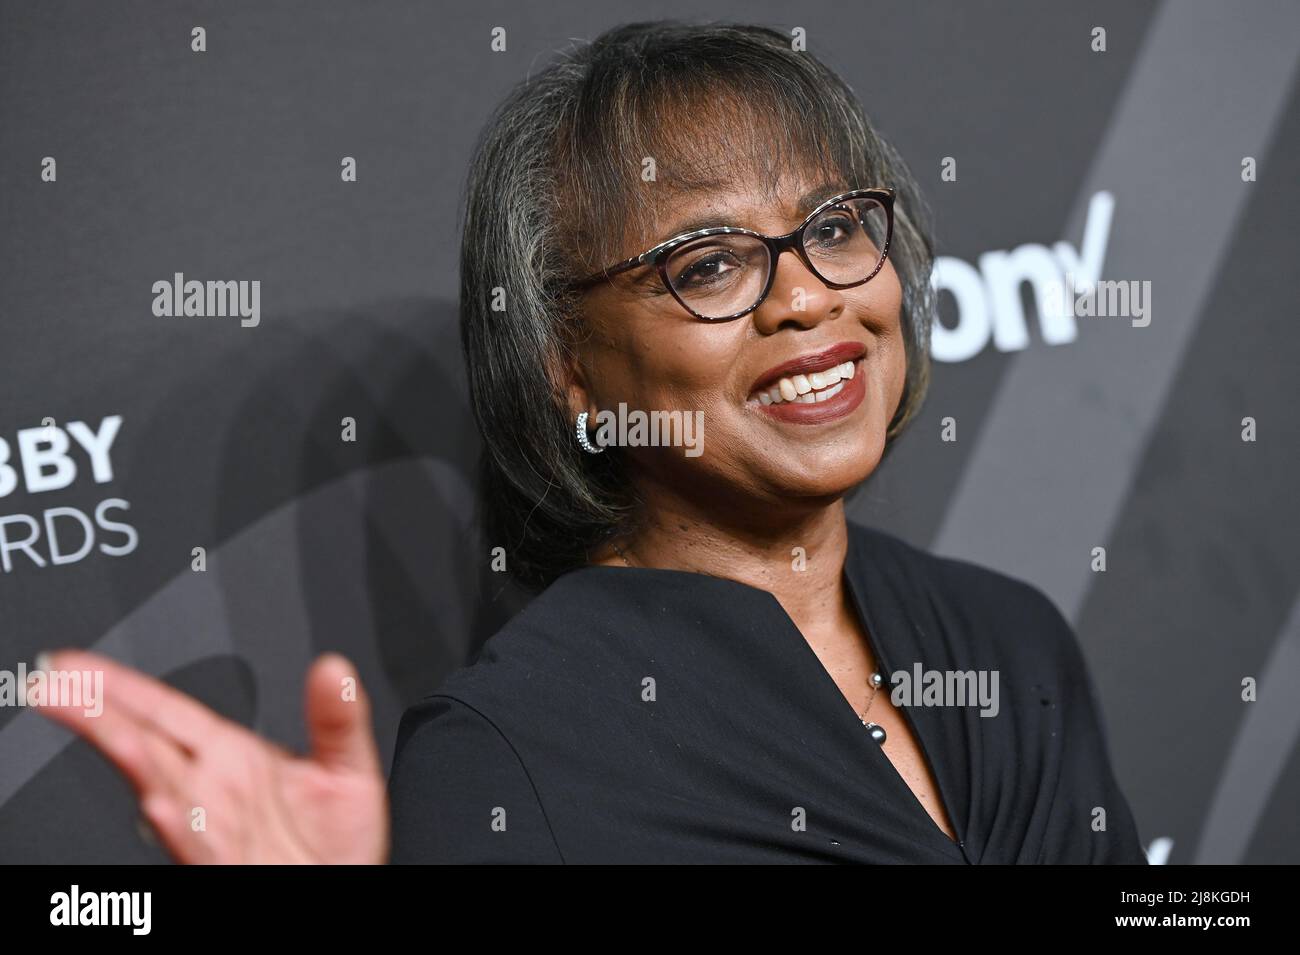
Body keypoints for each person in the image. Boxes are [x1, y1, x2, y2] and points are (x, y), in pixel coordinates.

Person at [34, 21, 1147, 864]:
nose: (806, 297)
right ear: (566, 368)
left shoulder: (1009, 641)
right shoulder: (510, 758)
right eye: (708, 263)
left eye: (834, 226)